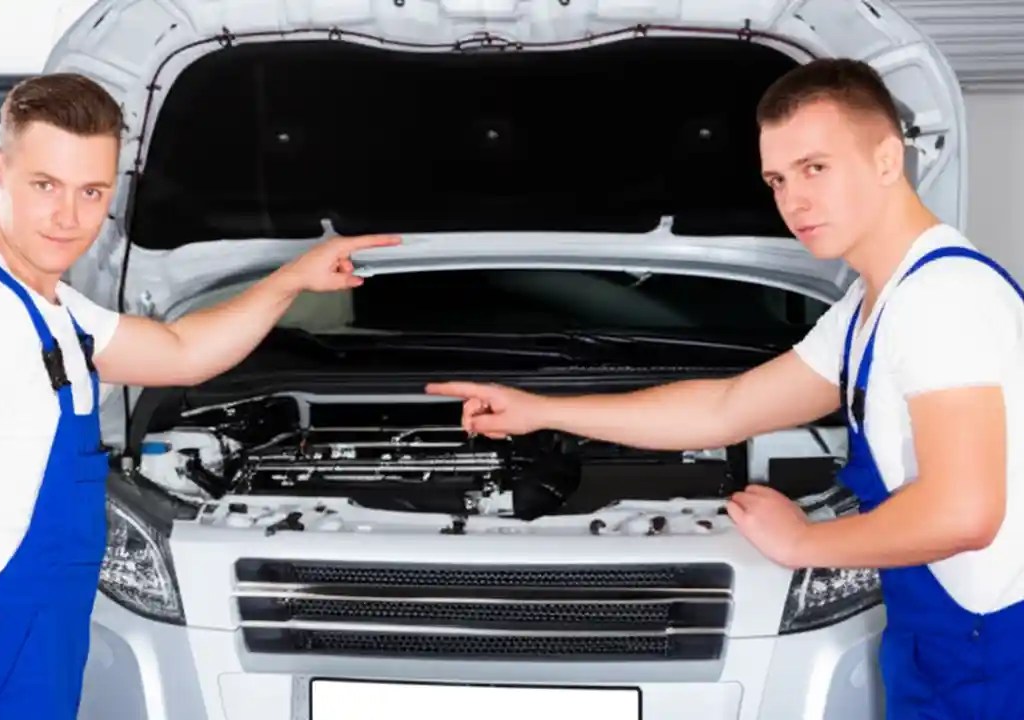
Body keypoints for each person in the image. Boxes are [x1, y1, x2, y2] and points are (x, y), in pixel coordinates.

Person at [427, 58, 1024, 719]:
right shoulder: (870, 308)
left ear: (887, 159)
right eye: (777, 178)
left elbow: (965, 512)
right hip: (940, 640)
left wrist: (803, 543)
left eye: (815, 167)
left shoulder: (944, 299)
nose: (793, 199)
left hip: (989, 651)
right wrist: (539, 411)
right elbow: (727, 407)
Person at [0, 73, 398, 718]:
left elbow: (180, 350)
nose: (69, 218)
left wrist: (291, 280)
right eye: (46, 186)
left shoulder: (48, 308)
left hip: (15, 648)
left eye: (91, 192)